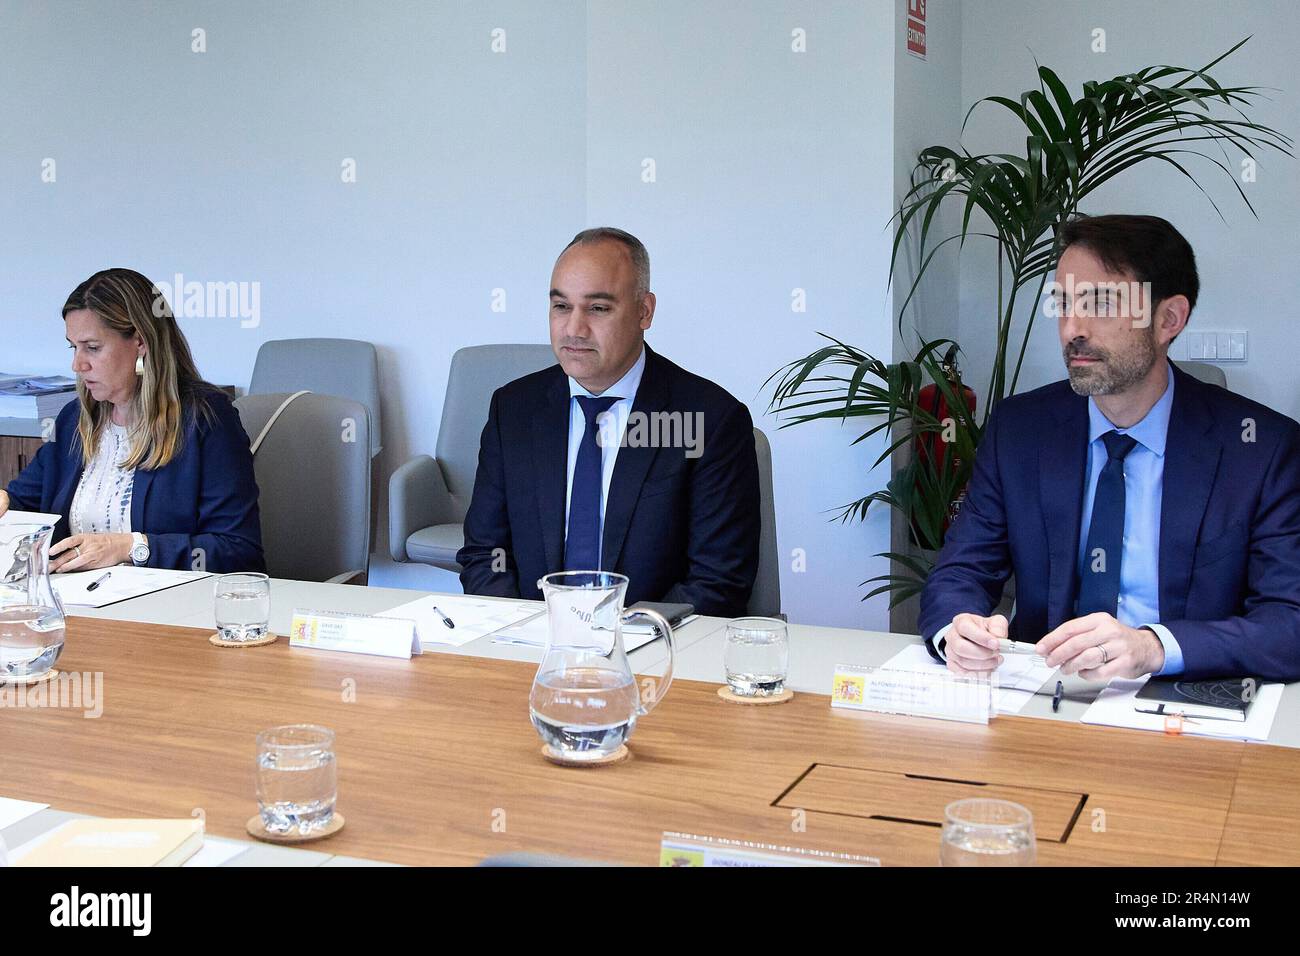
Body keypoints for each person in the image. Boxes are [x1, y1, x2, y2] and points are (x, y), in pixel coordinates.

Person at [920, 215, 1300, 683]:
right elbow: (960, 572)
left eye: (1101, 304)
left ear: (1168, 319)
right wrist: (957, 632)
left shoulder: (1261, 449)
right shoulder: (1020, 431)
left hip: (1183, 700)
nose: (1072, 329)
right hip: (1045, 699)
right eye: (1062, 304)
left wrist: (1154, 647)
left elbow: (1289, 622)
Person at [457, 227, 760, 616]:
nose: (573, 329)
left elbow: (718, 582)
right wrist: (521, 631)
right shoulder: (513, 409)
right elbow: (486, 554)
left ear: (644, 311)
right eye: (561, 307)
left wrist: (614, 643)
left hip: (653, 656)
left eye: (597, 308)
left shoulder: (708, 420)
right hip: (532, 648)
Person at [0, 268, 265, 574]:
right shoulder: (74, 419)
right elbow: (23, 503)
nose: (77, 364)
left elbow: (238, 551)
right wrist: (6, 501)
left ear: (140, 343)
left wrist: (129, 547)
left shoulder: (205, 419)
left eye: (93, 348)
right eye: (74, 347)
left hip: (167, 610)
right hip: (78, 603)